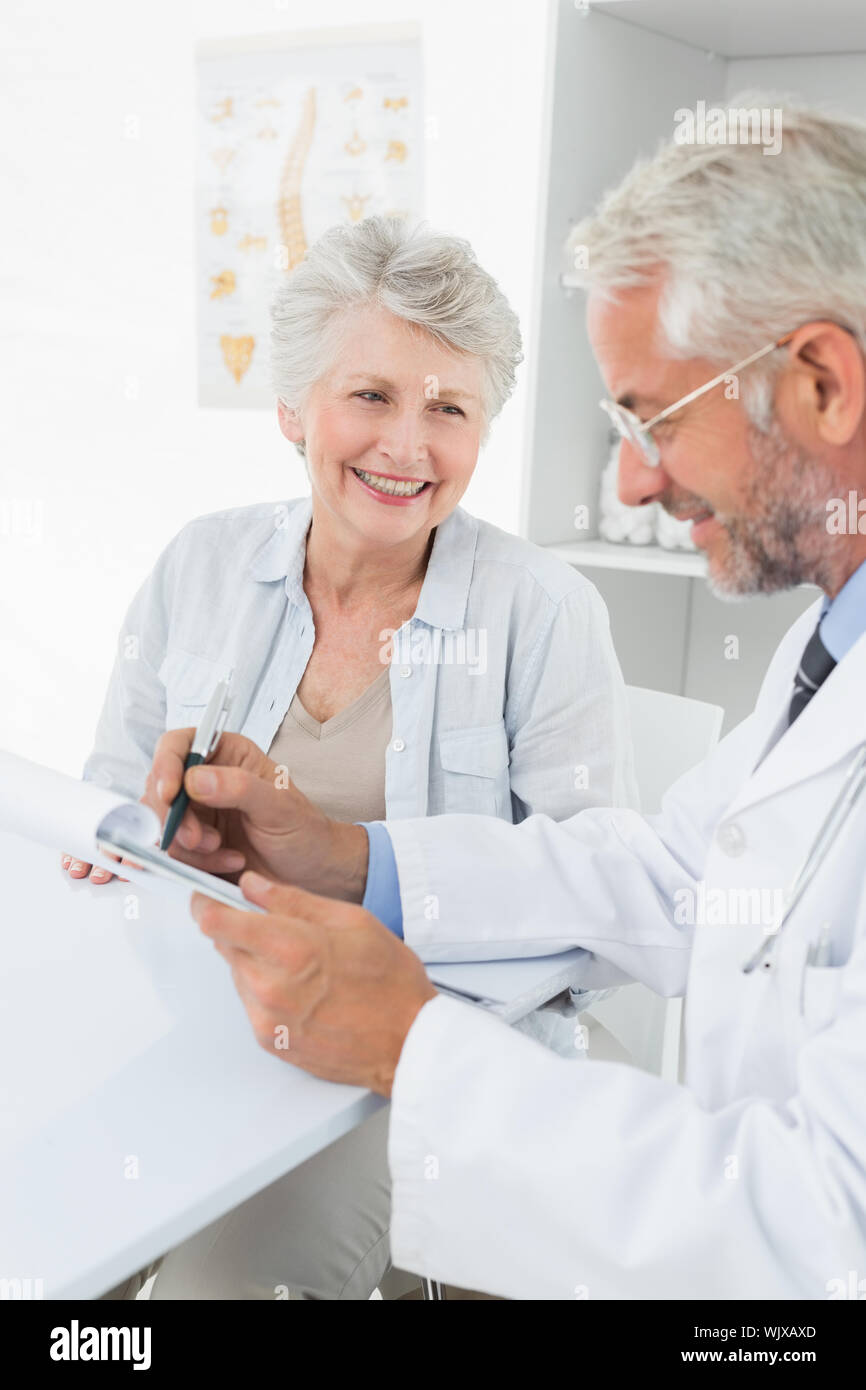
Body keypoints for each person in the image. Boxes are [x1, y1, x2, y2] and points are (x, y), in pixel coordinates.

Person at [147, 97, 866, 1299]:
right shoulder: (823, 651)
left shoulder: (539, 606)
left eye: (653, 418)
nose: (631, 480)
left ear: (822, 385)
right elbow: (663, 877)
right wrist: (336, 854)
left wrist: (410, 1039)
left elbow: (821, 1232)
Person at [69, 216, 636, 1298]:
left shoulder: (543, 612)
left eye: (448, 409)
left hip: (401, 1052)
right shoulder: (202, 562)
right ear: (292, 408)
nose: (406, 446)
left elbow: (600, 912)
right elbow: (111, 792)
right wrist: (138, 840)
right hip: (198, 1016)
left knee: (214, 1292)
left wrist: (373, 900)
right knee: (52, 1238)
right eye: (370, 395)